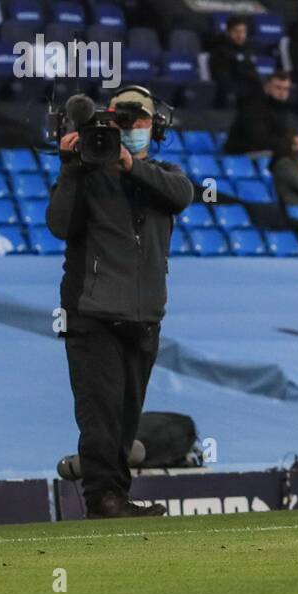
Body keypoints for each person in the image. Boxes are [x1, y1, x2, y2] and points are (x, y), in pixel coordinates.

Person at [45, 87, 194, 518]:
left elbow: (181, 194)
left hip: (144, 316)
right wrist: (71, 167)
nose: (131, 130)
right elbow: (60, 225)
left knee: (126, 417)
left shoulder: (164, 175)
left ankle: (116, 498)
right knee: (100, 416)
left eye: (139, 120)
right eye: (122, 123)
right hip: (92, 315)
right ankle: (103, 499)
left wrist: (129, 166)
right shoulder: (85, 175)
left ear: (156, 127)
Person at [223, 72, 297, 155]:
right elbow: (259, 141)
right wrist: (287, 144)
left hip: (265, 152)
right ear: (266, 87)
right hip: (244, 153)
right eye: (278, 88)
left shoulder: (281, 109)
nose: (282, 93)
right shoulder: (254, 107)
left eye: (286, 89)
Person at [208, 16, 262, 105]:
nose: (240, 36)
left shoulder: (248, 50)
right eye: (237, 32)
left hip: (248, 91)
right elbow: (223, 80)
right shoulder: (219, 51)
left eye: (243, 32)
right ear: (228, 32)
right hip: (231, 95)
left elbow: (253, 74)